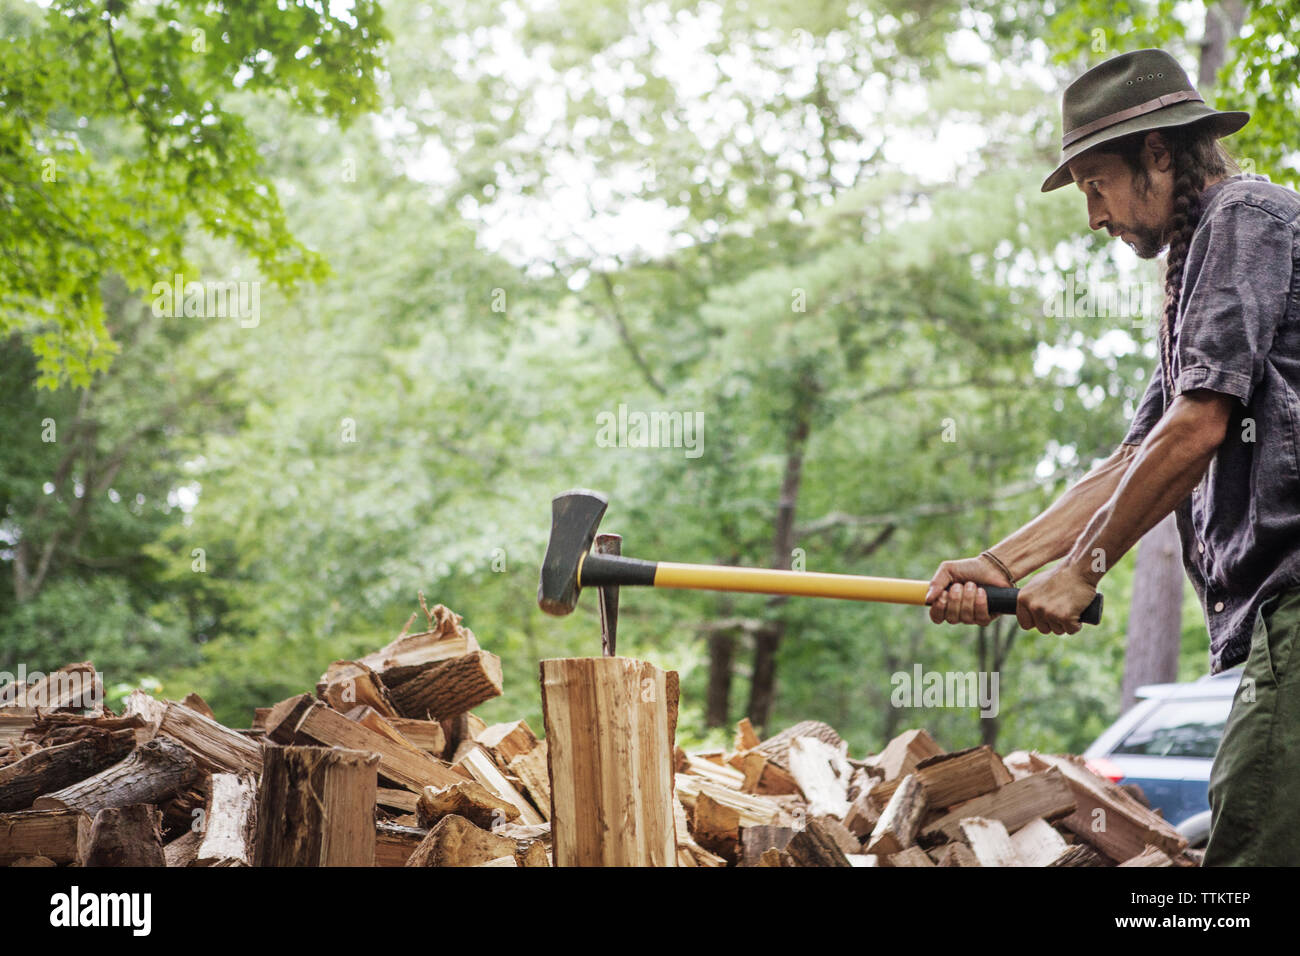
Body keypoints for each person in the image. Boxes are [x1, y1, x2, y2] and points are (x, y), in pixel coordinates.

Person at [923, 48, 1300, 866]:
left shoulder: (1246, 217)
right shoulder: (1197, 272)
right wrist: (1001, 561)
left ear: (1158, 154)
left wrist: (1086, 566)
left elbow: (1197, 428)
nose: (1093, 214)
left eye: (1097, 184)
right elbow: (1136, 454)